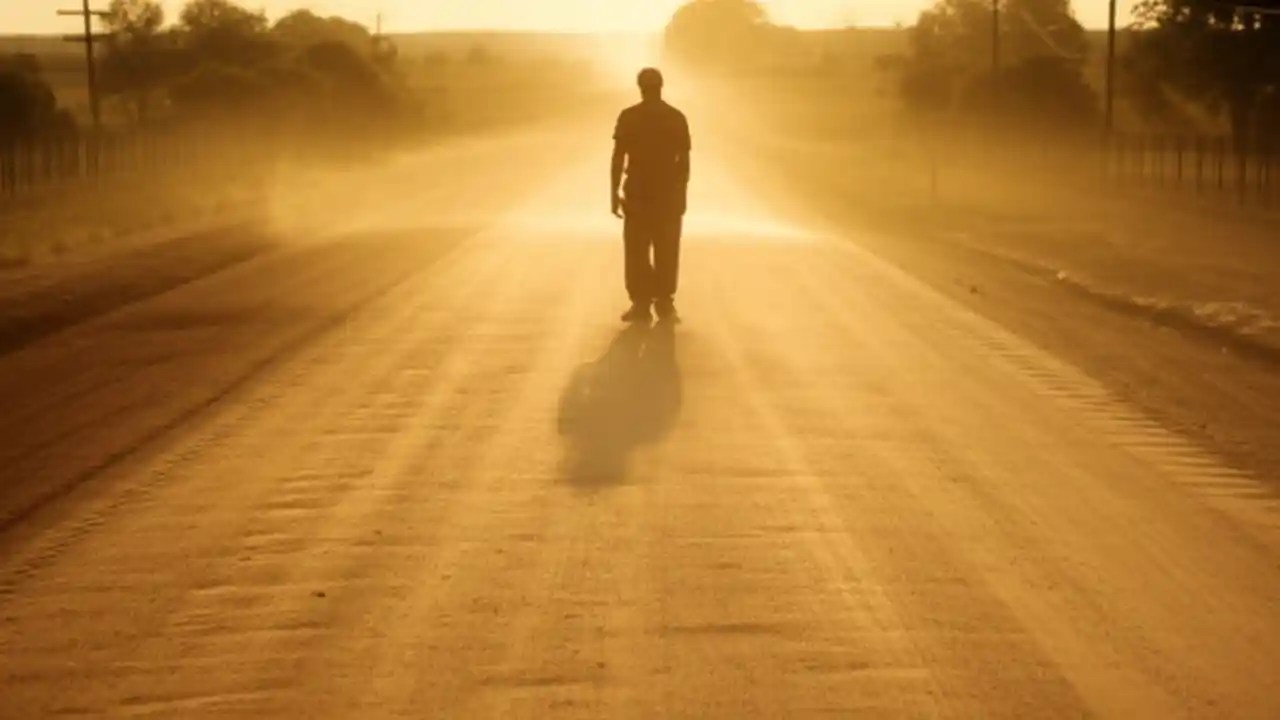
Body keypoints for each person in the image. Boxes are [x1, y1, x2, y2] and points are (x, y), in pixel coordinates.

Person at [611, 68, 691, 323]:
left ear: (640, 88)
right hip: (667, 192)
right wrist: (682, 192)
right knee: (667, 247)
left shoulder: (629, 117)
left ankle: (641, 303)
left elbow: (618, 157)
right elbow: (684, 161)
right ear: (661, 86)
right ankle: (664, 302)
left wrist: (613, 192)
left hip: (638, 193)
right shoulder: (675, 117)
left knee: (637, 249)